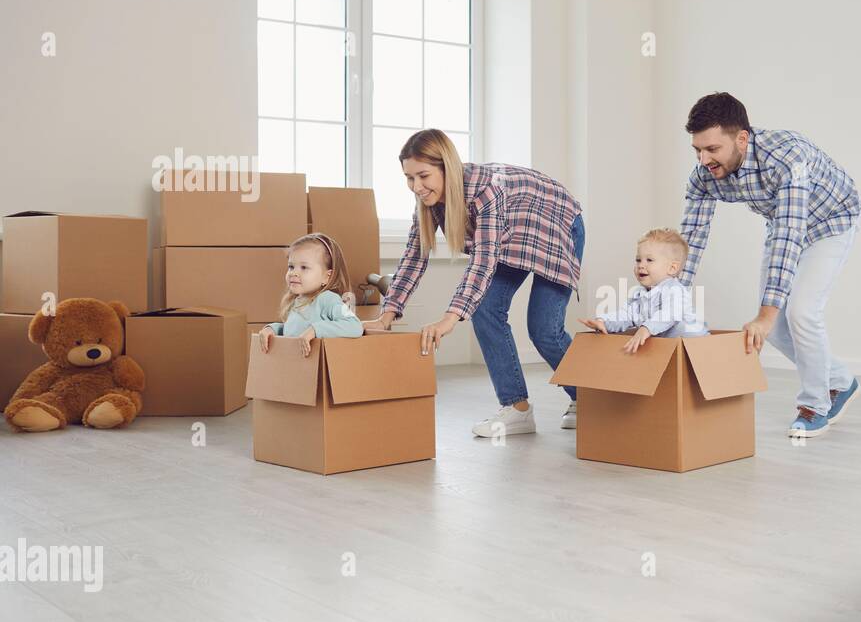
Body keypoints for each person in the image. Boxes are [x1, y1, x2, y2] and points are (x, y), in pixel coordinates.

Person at [364, 129, 585, 437]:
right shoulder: (427, 202)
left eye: (423, 176)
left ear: (446, 167)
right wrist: (386, 316)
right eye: (409, 178)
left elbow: (483, 262)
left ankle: (588, 399)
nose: (417, 187)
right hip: (511, 234)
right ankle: (517, 408)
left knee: (544, 328)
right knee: (485, 309)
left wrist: (448, 319)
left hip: (556, 222)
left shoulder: (486, 191)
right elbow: (414, 258)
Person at [679, 92, 861, 438]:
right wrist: (671, 293)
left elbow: (790, 235)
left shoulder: (786, 157)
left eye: (712, 149)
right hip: (783, 223)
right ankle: (840, 382)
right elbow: (691, 237)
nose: (703, 159)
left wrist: (766, 313)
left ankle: (814, 405)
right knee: (775, 330)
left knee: (801, 313)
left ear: (741, 138)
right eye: (697, 150)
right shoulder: (703, 175)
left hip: (831, 222)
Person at [578, 227, 708, 354]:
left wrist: (646, 328)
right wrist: (603, 322)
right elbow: (626, 315)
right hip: (670, 349)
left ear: (672, 268)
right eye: (638, 260)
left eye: (649, 260)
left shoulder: (675, 290)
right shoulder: (639, 294)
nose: (641, 265)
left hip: (696, 347)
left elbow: (670, 314)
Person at [258, 233, 363, 357]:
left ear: (326, 276)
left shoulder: (328, 299)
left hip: (318, 371)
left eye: (304, 267)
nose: (294, 273)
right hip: (297, 368)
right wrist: (274, 329)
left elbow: (354, 326)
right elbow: (293, 331)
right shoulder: (297, 301)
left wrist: (315, 330)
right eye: (291, 267)